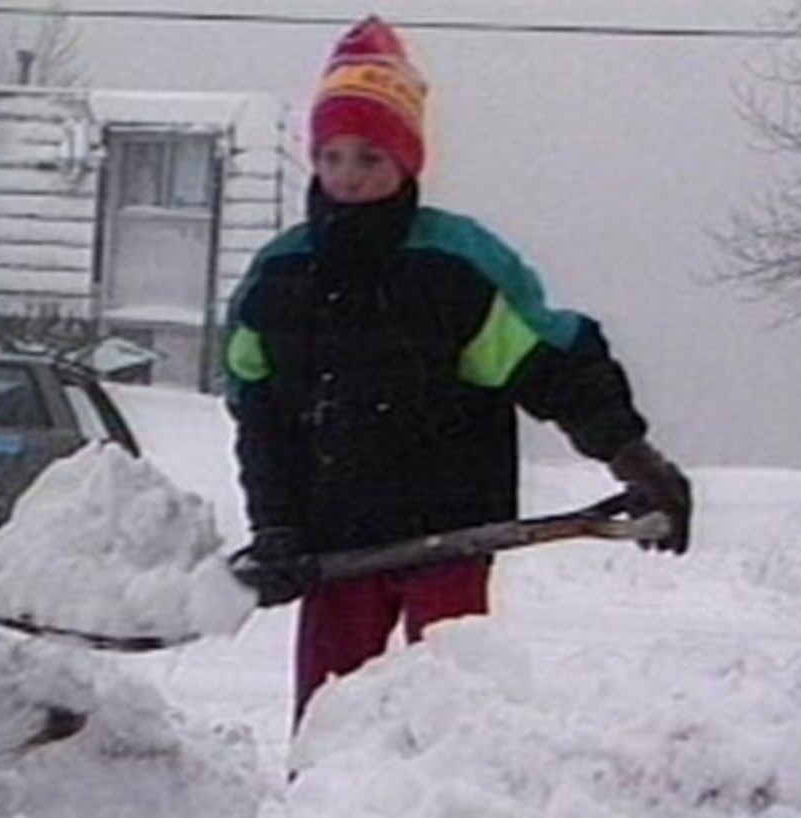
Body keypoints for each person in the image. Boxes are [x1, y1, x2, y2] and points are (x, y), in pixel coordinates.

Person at [223, 15, 691, 726]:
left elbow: (550, 363)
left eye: (370, 159)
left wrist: (631, 455)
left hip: (449, 535)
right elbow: (261, 417)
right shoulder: (280, 278)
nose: (347, 178)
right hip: (335, 546)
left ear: (407, 162)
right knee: (329, 724)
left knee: (450, 723)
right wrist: (278, 528)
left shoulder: (453, 268)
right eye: (333, 157)